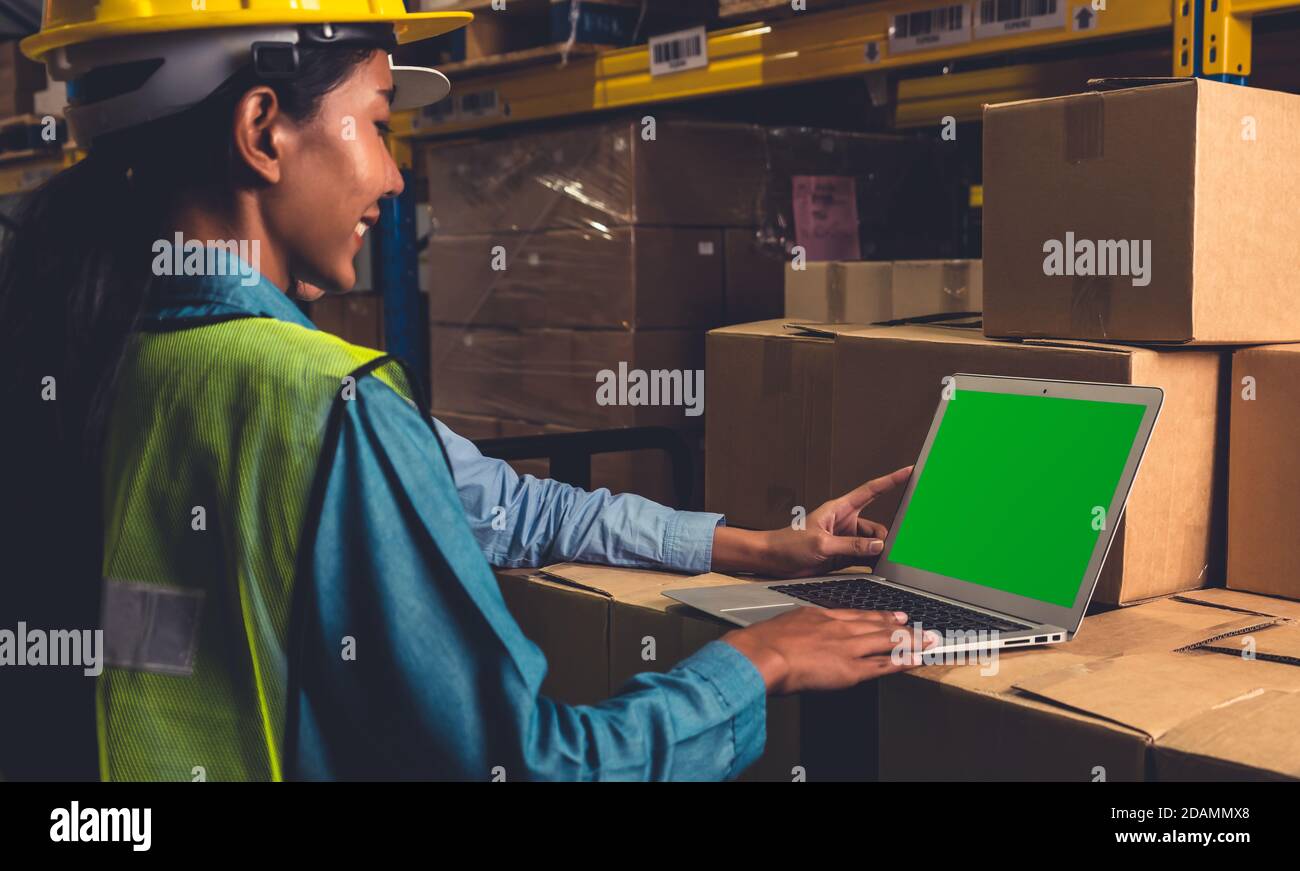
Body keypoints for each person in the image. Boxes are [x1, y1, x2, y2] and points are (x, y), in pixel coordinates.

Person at [0, 3, 931, 781]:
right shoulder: (326, 402)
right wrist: (752, 662)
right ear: (261, 132)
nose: (395, 177)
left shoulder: (88, 348)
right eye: (376, 124)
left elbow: (496, 503)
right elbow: (525, 765)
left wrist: (753, 546)